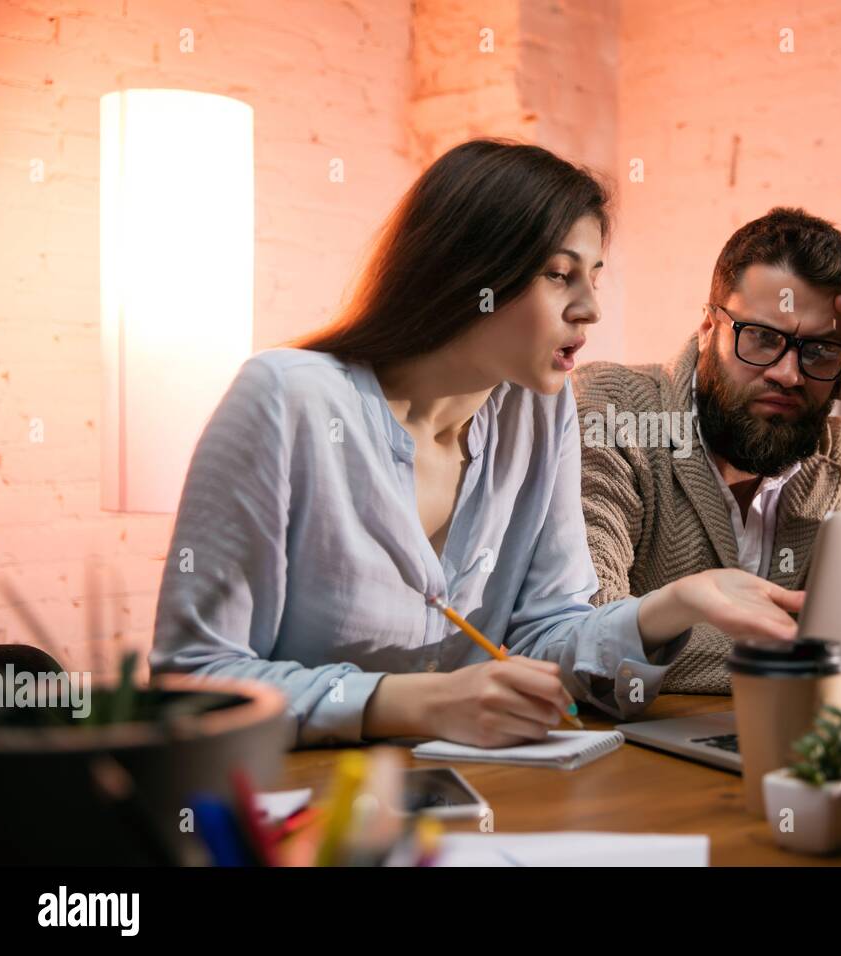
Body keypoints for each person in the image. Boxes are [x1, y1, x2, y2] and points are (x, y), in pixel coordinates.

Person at [150, 140, 804, 748]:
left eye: (594, 277)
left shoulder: (541, 412)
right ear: (470, 276)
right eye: (558, 274)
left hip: (472, 807)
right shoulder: (286, 400)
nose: (590, 309)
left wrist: (675, 603)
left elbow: (549, 635)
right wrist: (414, 704)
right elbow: (195, 681)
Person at [575, 206, 841, 694]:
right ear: (708, 327)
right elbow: (588, 632)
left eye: (820, 350)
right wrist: (830, 656)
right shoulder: (618, 414)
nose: (789, 373)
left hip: (804, 748)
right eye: (763, 338)